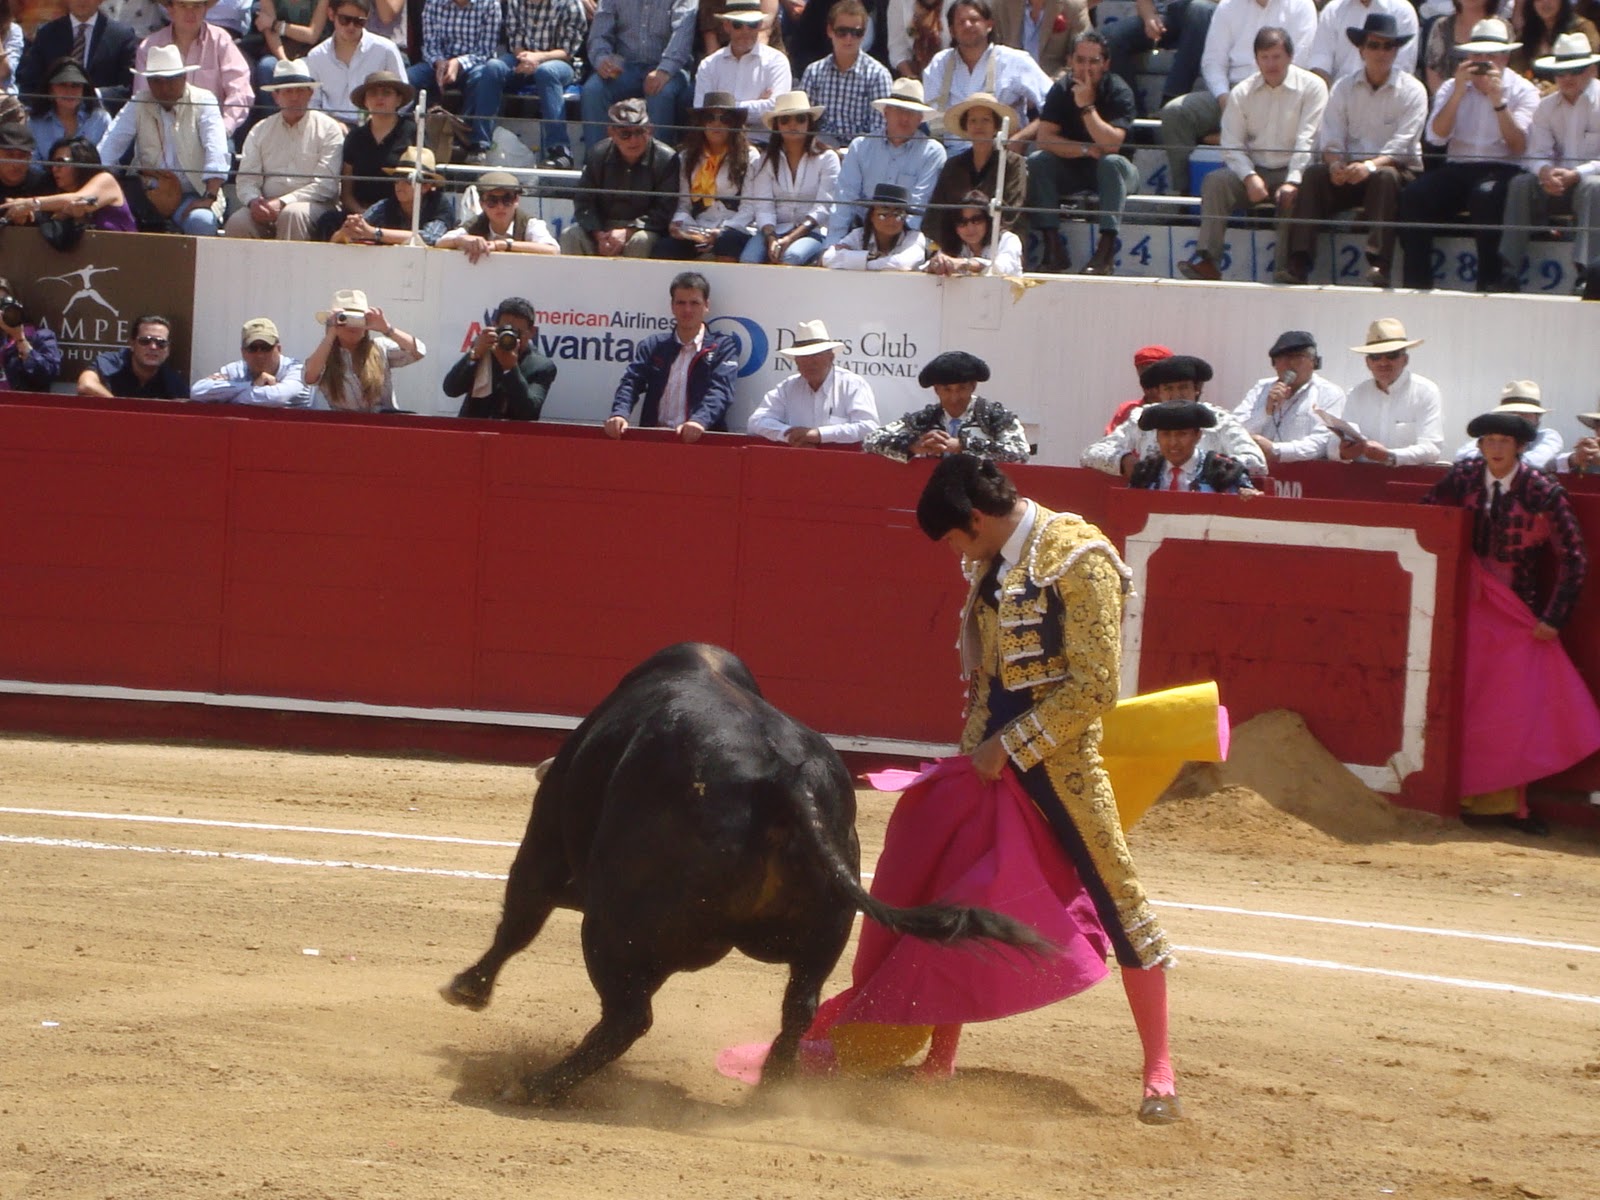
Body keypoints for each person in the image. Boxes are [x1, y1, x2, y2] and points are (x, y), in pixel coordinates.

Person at [843, 455, 1182, 1121]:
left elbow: (1094, 686)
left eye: (953, 538)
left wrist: (1011, 746)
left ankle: (1159, 1073)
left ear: (975, 518)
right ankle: (941, 1056)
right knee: (958, 897)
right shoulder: (991, 563)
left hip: (1063, 768)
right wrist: (975, 754)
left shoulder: (1079, 556)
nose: (954, 553)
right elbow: (994, 682)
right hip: (991, 763)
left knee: (1119, 897)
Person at [1421, 407, 1598, 836]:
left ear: (1520, 447)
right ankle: (1454, 796)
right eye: (1488, 441)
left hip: (1518, 613)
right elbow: (1425, 521)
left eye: (1504, 442)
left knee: (1512, 708)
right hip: (1463, 608)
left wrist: (1553, 619)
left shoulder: (1541, 490)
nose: (1495, 448)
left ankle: (1512, 806)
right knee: (1466, 701)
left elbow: (1574, 558)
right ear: (1480, 446)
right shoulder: (1462, 479)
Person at [1276, 12, 1425, 288]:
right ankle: (1298, 261)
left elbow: (1403, 145)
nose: (1381, 52)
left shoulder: (1413, 90)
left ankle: (1379, 264)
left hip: (1395, 171)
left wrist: (1369, 166)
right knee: (1314, 176)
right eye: (1374, 45)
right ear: (1361, 49)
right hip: (1350, 170)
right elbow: (1331, 138)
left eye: (1388, 46)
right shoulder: (1343, 87)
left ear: (1396, 51)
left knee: (1385, 177)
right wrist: (1334, 165)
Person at [1398, 17, 1539, 292]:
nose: (1483, 61)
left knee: (1485, 196)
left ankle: (1489, 281)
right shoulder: (1453, 87)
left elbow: (1519, 146)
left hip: (1502, 167)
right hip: (1459, 167)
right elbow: (1436, 137)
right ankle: (1416, 282)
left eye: (1491, 55)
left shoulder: (1523, 90)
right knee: (1414, 195)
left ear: (1506, 56)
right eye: (1477, 54)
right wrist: (1459, 93)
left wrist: (1499, 102)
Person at [1177, 26, 1327, 281]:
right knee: (1215, 182)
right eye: (1264, 57)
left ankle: (1286, 269)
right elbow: (1231, 142)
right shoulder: (1242, 92)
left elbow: (1308, 139)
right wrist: (1248, 176)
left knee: (1295, 195)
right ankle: (1208, 260)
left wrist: (1292, 180)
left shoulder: (1313, 87)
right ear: (1256, 59)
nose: (1271, 64)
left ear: (1290, 56)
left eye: (1276, 57)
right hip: (1255, 170)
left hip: (1294, 170)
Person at [1158, 0, 1317, 195]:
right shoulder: (1228, 6)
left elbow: (1299, 61)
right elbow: (1212, 62)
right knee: (1176, 112)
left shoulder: (1301, 5)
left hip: (1281, 93)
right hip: (1232, 93)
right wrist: (1224, 98)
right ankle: (1186, 193)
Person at [1026, 30, 1140, 275]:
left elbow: (1112, 145)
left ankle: (1106, 251)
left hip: (1118, 173)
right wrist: (1086, 149)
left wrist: (1086, 106)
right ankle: (1053, 247)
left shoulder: (1119, 90)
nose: (1086, 68)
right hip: (1077, 165)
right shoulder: (1061, 89)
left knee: (1110, 162)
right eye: (1080, 60)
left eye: (1094, 61)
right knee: (1038, 161)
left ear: (1106, 64)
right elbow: (1044, 139)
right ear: (1070, 61)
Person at [1499, 33, 1600, 293]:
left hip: (1589, 184)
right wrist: (1544, 171)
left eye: (1575, 71)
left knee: (1592, 186)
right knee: (1521, 183)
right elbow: (1535, 153)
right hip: (1558, 184)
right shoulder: (1545, 107)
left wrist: (1576, 174)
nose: (1567, 78)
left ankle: (1586, 273)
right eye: (1561, 71)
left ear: (1591, 70)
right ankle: (1507, 270)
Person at [97, 42, 231, 235]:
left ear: (184, 77)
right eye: (156, 81)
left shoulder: (204, 100)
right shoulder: (138, 102)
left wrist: (209, 196)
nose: (164, 87)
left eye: (170, 80)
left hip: (193, 193)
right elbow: (109, 147)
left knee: (201, 221)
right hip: (147, 195)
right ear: (148, 82)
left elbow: (217, 150)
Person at [1081, 353, 1269, 476]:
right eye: (1169, 388)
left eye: (1183, 387)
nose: (1176, 395)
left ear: (1196, 390)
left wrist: (1214, 468)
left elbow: (1257, 463)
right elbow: (1091, 453)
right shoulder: (1141, 419)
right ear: (1159, 393)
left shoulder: (1219, 420)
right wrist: (1125, 461)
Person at [605, 270, 740, 441]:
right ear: (672, 306)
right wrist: (620, 414)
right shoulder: (653, 345)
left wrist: (699, 421)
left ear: (706, 305)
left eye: (694, 303)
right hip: (654, 441)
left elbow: (721, 391)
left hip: (702, 443)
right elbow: (631, 382)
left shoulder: (722, 347)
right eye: (681, 303)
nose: (687, 309)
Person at [225, 58, 345, 239]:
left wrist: (283, 202)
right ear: (276, 96)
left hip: (314, 205)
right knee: (237, 222)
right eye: (288, 91)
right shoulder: (260, 130)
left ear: (310, 93)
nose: (294, 97)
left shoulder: (329, 128)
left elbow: (326, 186)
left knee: (292, 214)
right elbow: (247, 179)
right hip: (266, 205)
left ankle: (292, 268)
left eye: (300, 90)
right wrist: (254, 202)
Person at [921, 0, 1053, 153]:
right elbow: (930, 118)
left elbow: (1053, 106)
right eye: (961, 22)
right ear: (952, 31)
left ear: (989, 24)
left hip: (1003, 154)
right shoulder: (939, 64)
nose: (968, 25)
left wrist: (1022, 137)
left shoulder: (1015, 60)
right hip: (950, 157)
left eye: (974, 20)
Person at [559, 97, 679, 256]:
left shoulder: (666, 159)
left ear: (650, 129)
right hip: (603, 227)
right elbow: (584, 201)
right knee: (571, 235)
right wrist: (599, 234)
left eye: (640, 132)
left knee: (641, 241)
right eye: (625, 134)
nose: (634, 140)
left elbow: (665, 209)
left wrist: (628, 231)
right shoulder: (597, 154)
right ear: (612, 133)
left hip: (644, 228)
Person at [830, 77, 946, 239]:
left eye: (911, 113)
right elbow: (845, 199)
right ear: (886, 112)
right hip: (861, 231)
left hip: (908, 235)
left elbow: (920, 205)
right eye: (899, 110)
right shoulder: (860, 146)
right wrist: (834, 242)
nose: (904, 118)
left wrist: (895, 241)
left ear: (920, 119)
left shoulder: (933, 152)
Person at [865, 349, 1030, 461]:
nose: (954, 396)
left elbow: (1020, 453)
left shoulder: (993, 416)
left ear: (973, 386)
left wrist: (962, 446)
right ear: (936, 390)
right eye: (947, 389)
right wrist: (914, 445)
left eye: (961, 388)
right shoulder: (926, 418)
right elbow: (871, 441)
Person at [405, 0, 517, 163]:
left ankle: (475, 142)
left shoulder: (490, 4)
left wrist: (458, 63)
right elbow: (429, 45)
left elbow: (485, 51)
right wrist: (439, 62)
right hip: (437, 64)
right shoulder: (433, 3)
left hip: (473, 64)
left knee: (483, 77)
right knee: (407, 78)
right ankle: (403, 135)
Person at [578, 0, 697, 151]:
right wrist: (602, 59)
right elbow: (599, 34)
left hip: (669, 68)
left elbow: (682, 36)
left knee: (660, 93)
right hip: (624, 66)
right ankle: (596, 159)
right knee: (593, 90)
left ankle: (660, 163)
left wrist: (664, 71)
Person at [655, 90, 760, 259]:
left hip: (734, 227)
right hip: (698, 227)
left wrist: (722, 231)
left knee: (726, 242)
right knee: (665, 248)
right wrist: (679, 224)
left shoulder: (750, 156)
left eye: (724, 119)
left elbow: (749, 208)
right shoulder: (687, 157)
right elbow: (684, 204)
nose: (716, 124)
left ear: (733, 125)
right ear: (701, 123)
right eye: (709, 118)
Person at [1324, 319, 1444, 466]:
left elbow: (1432, 449)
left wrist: (1390, 456)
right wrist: (1342, 452)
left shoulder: (1425, 392)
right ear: (1368, 362)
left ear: (1405, 359)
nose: (1383, 362)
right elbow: (1332, 447)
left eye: (1391, 355)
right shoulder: (1356, 394)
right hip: (1362, 481)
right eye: (1376, 357)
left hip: (1406, 482)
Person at [746, 319, 880, 445]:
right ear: (796, 361)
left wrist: (819, 435)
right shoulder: (787, 387)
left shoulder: (852, 384)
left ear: (831, 357)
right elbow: (756, 421)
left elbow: (869, 428)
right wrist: (791, 435)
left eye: (816, 355)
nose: (810, 362)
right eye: (803, 356)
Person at [743, 89, 839, 264]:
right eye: (785, 120)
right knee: (748, 258)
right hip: (774, 229)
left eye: (800, 119)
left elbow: (823, 208)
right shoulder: (765, 160)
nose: (792, 125)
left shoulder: (827, 158)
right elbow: (763, 205)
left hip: (814, 230)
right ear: (777, 126)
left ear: (809, 123)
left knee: (791, 257)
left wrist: (790, 238)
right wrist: (771, 236)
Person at [317, 69, 416, 238]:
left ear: (398, 99)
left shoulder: (413, 132)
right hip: (359, 212)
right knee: (328, 221)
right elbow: (347, 191)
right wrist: (363, 216)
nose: (379, 98)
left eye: (386, 93)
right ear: (365, 101)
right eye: (373, 93)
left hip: (399, 213)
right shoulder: (355, 136)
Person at [134, 0, 256, 135]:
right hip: (162, 134)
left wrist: (224, 127)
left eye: (197, 6)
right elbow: (142, 99)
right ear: (170, 9)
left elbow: (240, 90)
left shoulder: (220, 41)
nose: (190, 12)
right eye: (183, 6)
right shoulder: (150, 46)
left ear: (205, 9)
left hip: (212, 130)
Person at [928, 91, 1027, 253]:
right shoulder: (953, 165)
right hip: (958, 246)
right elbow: (937, 211)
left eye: (985, 120)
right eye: (972, 121)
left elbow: (1012, 212)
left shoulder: (1013, 163)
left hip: (1001, 245)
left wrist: (981, 241)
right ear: (965, 126)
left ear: (996, 126)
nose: (978, 126)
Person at [1231, 329, 1347, 465]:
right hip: (1261, 472)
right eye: (1282, 358)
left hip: (1307, 475)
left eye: (1297, 357)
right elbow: (1234, 430)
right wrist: (1265, 411)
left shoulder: (1329, 393)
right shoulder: (1262, 388)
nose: (1289, 364)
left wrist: (1277, 451)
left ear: (1313, 362)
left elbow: (1323, 442)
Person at [303, 288, 426, 412]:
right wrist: (330, 334)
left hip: (383, 423)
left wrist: (387, 329)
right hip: (345, 425)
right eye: (344, 319)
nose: (352, 325)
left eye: (359, 319)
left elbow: (419, 351)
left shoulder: (380, 347)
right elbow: (309, 377)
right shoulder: (324, 355)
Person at [504, 0, 590, 169]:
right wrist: (526, 58)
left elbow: (567, 51)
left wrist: (538, 58)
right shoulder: (515, 3)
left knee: (546, 72)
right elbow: (515, 41)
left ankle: (559, 149)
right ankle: (480, 144)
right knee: (493, 69)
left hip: (560, 63)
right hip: (523, 59)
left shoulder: (571, 4)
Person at [444, 296, 558, 421]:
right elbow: (451, 390)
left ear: (531, 332)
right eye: (505, 330)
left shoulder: (541, 366)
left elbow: (529, 413)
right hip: (472, 433)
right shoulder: (483, 350)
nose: (511, 338)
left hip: (511, 437)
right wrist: (474, 354)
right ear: (495, 325)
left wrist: (510, 369)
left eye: (517, 333)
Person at [799, 0, 892, 149]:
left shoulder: (878, 75)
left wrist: (846, 154)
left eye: (857, 33)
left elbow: (879, 132)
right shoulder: (813, 72)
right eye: (842, 32)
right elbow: (804, 122)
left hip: (862, 156)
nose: (849, 38)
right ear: (830, 30)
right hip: (819, 153)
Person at [15, 0, 140, 109]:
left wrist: (93, 96)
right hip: (53, 117)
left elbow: (129, 86)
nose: (82, 1)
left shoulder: (121, 36)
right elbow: (29, 82)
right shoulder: (47, 33)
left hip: (103, 118)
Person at [693, 0, 792, 133]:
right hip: (721, 145)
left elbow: (777, 109)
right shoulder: (709, 65)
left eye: (752, 24)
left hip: (763, 144)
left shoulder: (777, 61)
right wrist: (757, 105)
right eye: (738, 25)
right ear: (726, 26)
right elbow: (701, 111)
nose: (745, 31)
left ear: (760, 25)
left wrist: (725, 109)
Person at [1105, 0, 1216, 119]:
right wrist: (1149, 17)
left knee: (1199, 9)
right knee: (1111, 37)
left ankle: (1170, 105)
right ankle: (1132, 115)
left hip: (1207, 15)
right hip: (1166, 15)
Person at [5, 135, 138, 231]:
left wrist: (30, 204)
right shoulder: (60, 200)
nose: (54, 169)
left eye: (60, 162)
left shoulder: (105, 179)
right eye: (52, 164)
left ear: (81, 161)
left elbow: (79, 199)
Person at [329, 144, 456, 244]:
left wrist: (375, 233)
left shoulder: (440, 206)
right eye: (397, 177)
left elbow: (430, 238)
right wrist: (346, 231)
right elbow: (341, 238)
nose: (399, 184)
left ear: (426, 186)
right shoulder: (385, 205)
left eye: (407, 179)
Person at [306, 0, 407, 123]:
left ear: (367, 18)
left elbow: (404, 97)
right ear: (331, 14)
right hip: (330, 131)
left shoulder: (386, 50)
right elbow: (312, 104)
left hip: (374, 127)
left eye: (359, 21)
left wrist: (379, 121)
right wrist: (331, 125)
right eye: (345, 20)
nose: (351, 26)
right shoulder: (316, 56)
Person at [1128, 399, 1260, 493]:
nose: (1173, 442)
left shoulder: (1223, 471)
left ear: (1198, 436)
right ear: (1157, 438)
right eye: (1166, 434)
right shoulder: (1145, 472)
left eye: (1182, 434)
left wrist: (1248, 496)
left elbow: (1247, 507)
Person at [438, 170, 561, 259]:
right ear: (482, 204)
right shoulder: (475, 224)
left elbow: (553, 250)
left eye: (507, 200)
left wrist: (504, 245)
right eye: (492, 201)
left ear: (516, 201)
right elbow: (440, 243)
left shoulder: (530, 224)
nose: (500, 207)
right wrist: (460, 240)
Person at [190, 316, 311, 406]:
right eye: (252, 348)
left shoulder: (296, 369)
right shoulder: (236, 369)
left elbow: (276, 396)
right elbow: (198, 391)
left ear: (278, 349)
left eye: (266, 347)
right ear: (243, 352)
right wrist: (251, 385)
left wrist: (232, 398)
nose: (259, 355)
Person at [1451, 381, 1567, 470]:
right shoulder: (1491, 437)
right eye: (1511, 414)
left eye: (1524, 414)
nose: (1517, 419)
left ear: (1537, 419)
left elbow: (1535, 462)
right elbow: (1462, 456)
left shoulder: (1548, 436)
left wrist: (1492, 457)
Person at [1302, 0, 1418, 84]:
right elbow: (1320, 62)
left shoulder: (1403, 12)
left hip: (1388, 101)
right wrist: (1337, 99)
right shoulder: (1333, 10)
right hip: (1336, 99)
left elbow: (1402, 69)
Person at [821, 180, 931, 268]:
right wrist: (869, 257)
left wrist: (860, 262)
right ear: (871, 216)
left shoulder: (915, 238)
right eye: (883, 213)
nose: (891, 219)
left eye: (898, 214)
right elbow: (828, 258)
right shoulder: (858, 235)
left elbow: (903, 263)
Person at [77, 315, 187, 399]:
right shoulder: (111, 362)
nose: (153, 347)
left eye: (161, 343)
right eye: (145, 341)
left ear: (168, 349)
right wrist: (120, 409)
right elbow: (86, 385)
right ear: (132, 344)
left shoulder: (172, 380)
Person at [925, 187, 1023, 273]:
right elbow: (924, 268)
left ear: (988, 220)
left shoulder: (1008, 240)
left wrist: (965, 264)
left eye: (976, 220)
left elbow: (1002, 268)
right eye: (961, 222)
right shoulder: (953, 245)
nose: (970, 228)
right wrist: (935, 265)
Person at [28, 59, 113, 156]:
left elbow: (109, 158)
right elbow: (33, 163)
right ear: (50, 90)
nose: (69, 92)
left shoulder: (100, 119)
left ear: (84, 90)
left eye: (76, 85)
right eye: (62, 85)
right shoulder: (35, 122)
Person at [1510, 0, 1600, 86]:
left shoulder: (1583, 28)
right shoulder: (1526, 33)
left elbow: (1591, 68)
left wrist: (1554, 89)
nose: (1545, 2)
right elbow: (1516, 68)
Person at [992, 0, 1089, 78]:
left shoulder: (1073, 6)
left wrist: (1050, 86)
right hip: (1009, 85)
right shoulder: (1002, 4)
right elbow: (992, 51)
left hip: (1052, 84)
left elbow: (1083, 57)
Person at [0, 277, 64, 393]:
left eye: (3, 304)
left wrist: (19, 338)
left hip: (19, 407)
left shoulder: (40, 336)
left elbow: (47, 373)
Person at [254, 0, 331, 91]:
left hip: (314, 52)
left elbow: (312, 36)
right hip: (283, 50)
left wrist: (275, 25)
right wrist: (285, 63)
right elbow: (268, 28)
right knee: (267, 67)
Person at [889, 0, 954, 80]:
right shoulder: (899, 2)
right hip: (918, 75)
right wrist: (914, 81)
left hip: (955, 73)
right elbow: (897, 48)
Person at [0, 123, 50, 204]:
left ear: (30, 157)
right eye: (9, 155)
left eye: (21, 156)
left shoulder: (43, 183)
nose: (16, 164)